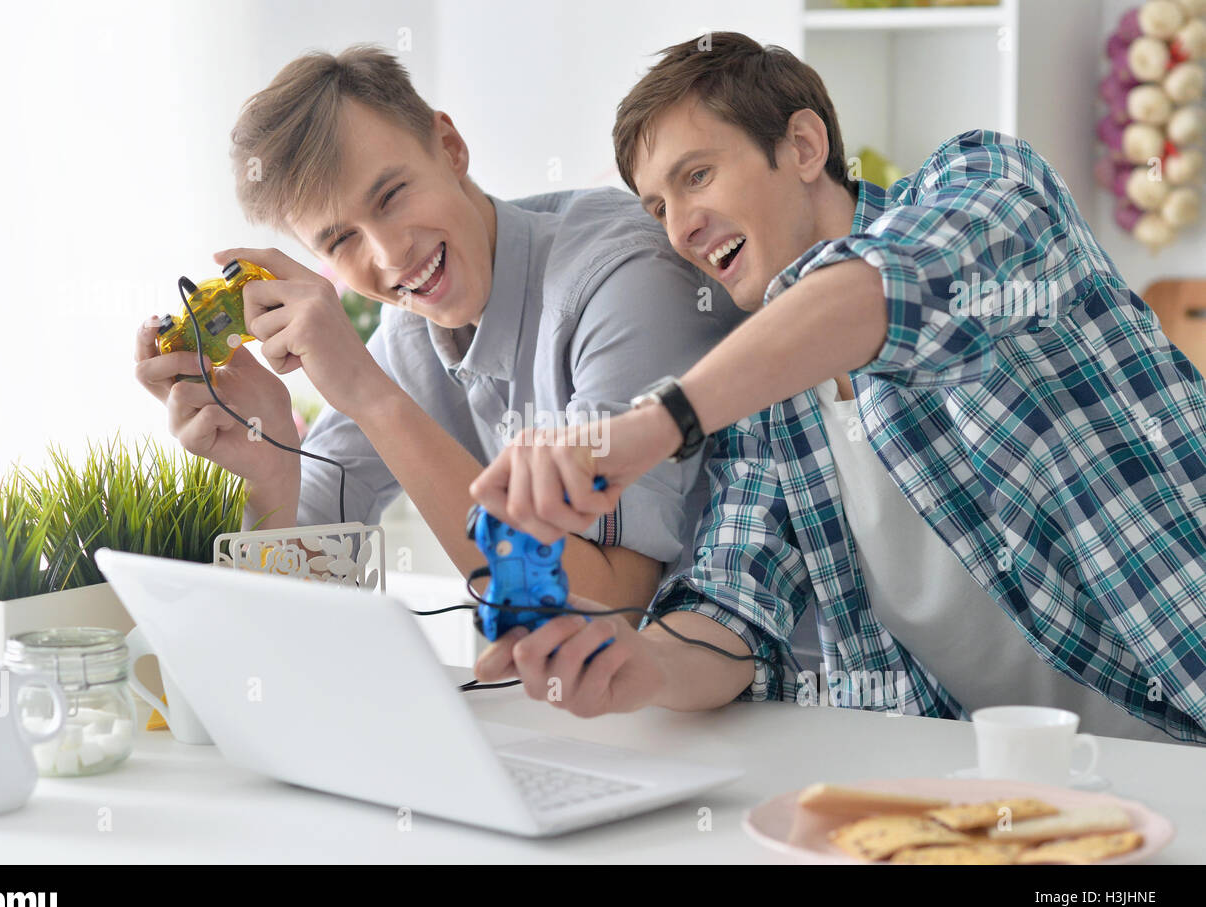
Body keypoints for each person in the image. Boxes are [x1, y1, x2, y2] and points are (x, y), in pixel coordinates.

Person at [471, 33, 1206, 744]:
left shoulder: (991, 185)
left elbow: (887, 290)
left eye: (696, 176)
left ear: (803, 146)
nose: (680, 230)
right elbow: (732, 608)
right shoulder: (760, 400)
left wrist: (654, 425)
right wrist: (635, 658)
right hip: (1012, 787)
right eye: (657, 208)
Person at [133, 45, 743, 611]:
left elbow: (612, 613)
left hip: (772, 708)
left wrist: (373, 399)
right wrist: (270, 467)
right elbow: (299, 598)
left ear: (449, 147)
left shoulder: (625, 281)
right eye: (342, 239)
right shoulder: (408, 338)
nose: (391, 256)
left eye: (392, 195)